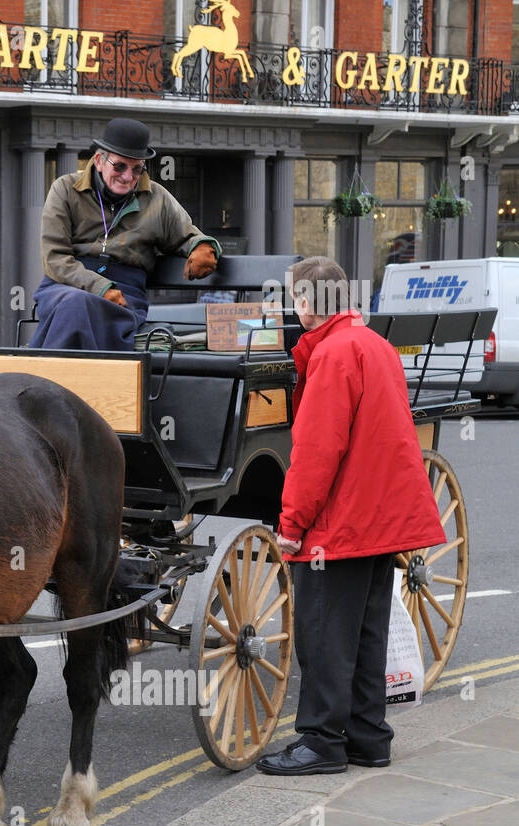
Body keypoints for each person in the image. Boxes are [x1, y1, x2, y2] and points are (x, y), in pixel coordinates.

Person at [256, 256, 447, 776]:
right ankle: (368, 738)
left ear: (305, 302)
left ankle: (321, 742)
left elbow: (316, 452)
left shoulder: (334, 355)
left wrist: (291, 526)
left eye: (294, 298)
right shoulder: (375, 346)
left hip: (342, 522)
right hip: (381, 518)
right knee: (365, 633)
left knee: (324, 635)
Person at [30, 118, 220, 352]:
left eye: (137, 169)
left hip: (126, 294)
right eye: (120, 166)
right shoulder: (65, 189)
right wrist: (99, 287)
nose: (128, 176)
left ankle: (54, 377)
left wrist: (203, 248)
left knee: (78, 308)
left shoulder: (157, 198)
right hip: (66, 287)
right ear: (99, 161)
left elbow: (188, 236)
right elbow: (54, 258)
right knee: (75, 304)